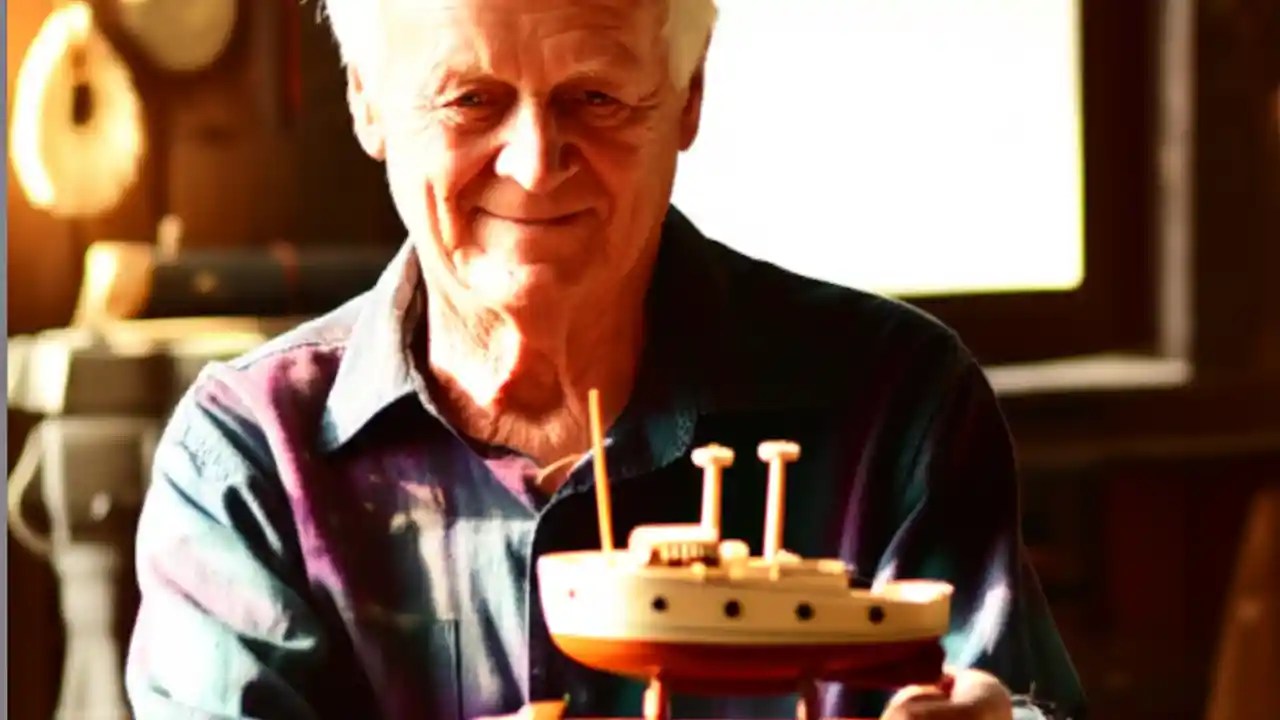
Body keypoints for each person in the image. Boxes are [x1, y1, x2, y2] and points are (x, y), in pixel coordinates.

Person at [123, 0, 1086, 718]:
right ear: (367, 105)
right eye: (471, 100)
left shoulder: (898, 405)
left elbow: (1008, 695)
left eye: (596, 96)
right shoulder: (249, 460)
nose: (537, 162)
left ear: (689, 97)